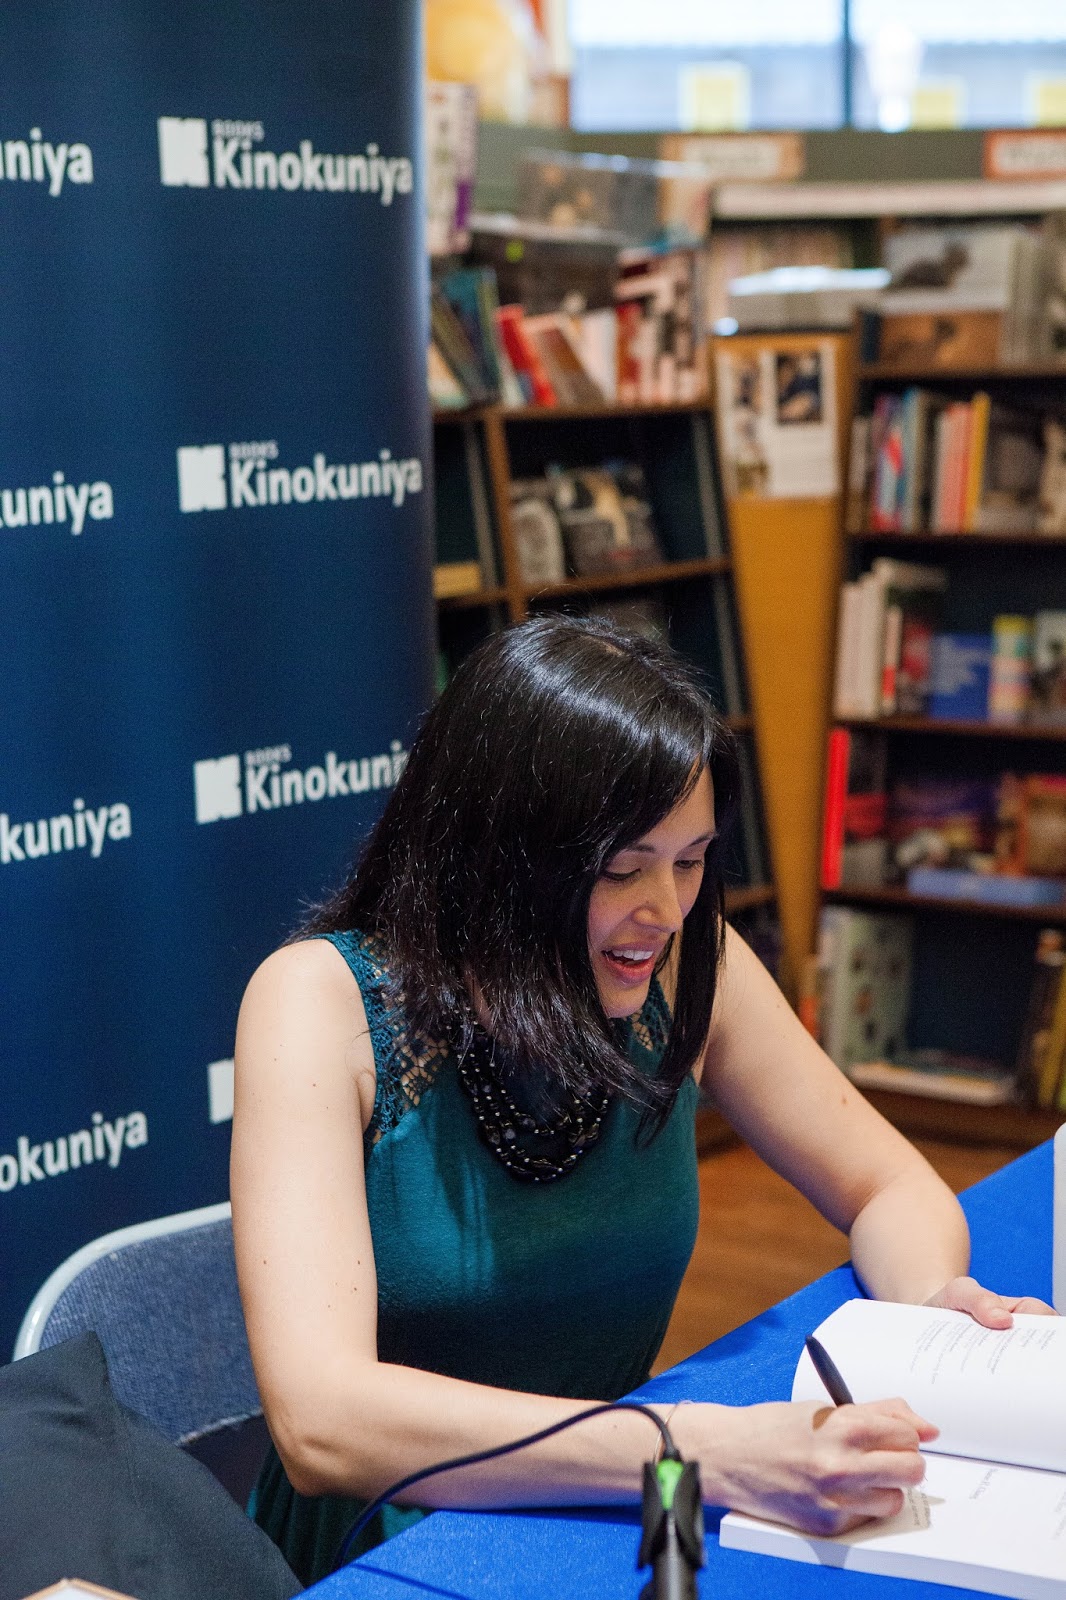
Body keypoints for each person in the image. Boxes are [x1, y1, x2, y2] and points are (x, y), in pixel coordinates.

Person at [231, 615, 1052, 1586]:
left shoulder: (684, 964)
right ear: (496, 855)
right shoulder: (318, 1003)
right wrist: (689, 1444)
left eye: (692, 857)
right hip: (399, 1535)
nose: (664, 908)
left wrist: (925, 1306)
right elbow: (322, 1425)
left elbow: (886, 1185)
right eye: (622, 868)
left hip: (626, 1490)